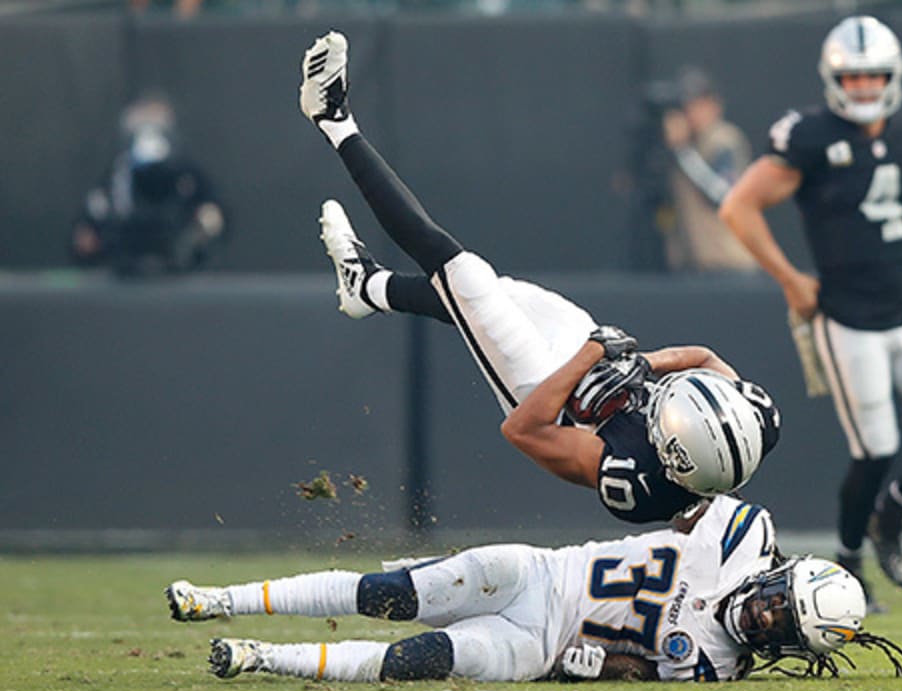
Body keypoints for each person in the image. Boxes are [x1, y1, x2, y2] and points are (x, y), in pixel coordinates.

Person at [298, 32, 780, 527]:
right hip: (593, 364)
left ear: (675, 460)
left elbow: (523, 430)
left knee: (464, 273)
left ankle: (334, 120)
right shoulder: (754, 418)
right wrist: (640, 365)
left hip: (545, 395)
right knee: (497, 294)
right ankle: (370, 288)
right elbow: (702, 357)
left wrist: (594, 354)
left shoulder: (634, 479)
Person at [719, 15, 902, 611]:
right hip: (848, 320)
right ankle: (850, 564)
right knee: (876, 449)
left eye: (874, 76)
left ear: (893, 77)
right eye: (853, 76)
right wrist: (790, 280)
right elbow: (739, 206)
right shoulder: (809, 137)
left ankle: (891, 514)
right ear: (833, 78)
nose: (864, 88)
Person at [164, 494, 902, 683]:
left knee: (416, 662)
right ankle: (220, 598)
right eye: (782, 599)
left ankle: (258, 654)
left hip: (537, 645)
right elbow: (679, 495)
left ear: (789, 646)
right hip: (538, 571)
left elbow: (637, 671)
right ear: (785, 570)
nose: (767, 612)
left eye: (784, 624)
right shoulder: (741, 532)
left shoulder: (716, 667)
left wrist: (590, 666)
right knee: (384, 591)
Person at [71, 94, 226, 276]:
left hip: (182, 272)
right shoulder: (116, 176)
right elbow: (86, 234)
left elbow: (215, 217)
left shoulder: (187, 176)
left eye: (155, 122)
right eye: (142, 122)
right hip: (124, 274)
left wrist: (204, 224)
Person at [660, 66, 756, 273]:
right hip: (693, 264)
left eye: (698, 104)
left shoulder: (724, 139)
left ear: (714, 105)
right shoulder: (683, 143)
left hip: (728, 263)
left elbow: (722, 195)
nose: (691, 112)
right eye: (686, 106)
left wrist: (683, 150)